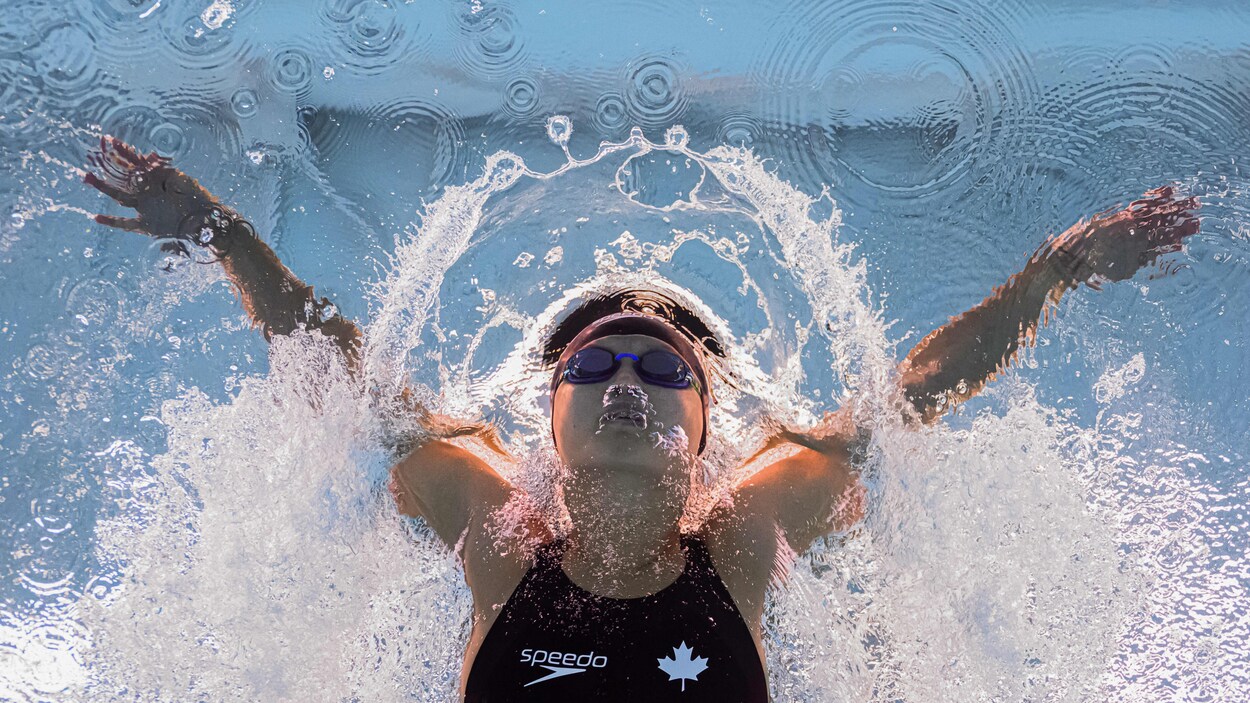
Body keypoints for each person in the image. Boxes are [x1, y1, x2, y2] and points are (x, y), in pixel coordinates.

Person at [83, 136, 1200, 702]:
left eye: (661, 371)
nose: (627, 380)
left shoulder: (747, 536)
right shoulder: (494, 527)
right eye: (599, 362)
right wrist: (226, 235)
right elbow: (351, 387)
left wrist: (1048, 276)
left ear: (704, 425)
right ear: (553, 411)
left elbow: (904, 405)